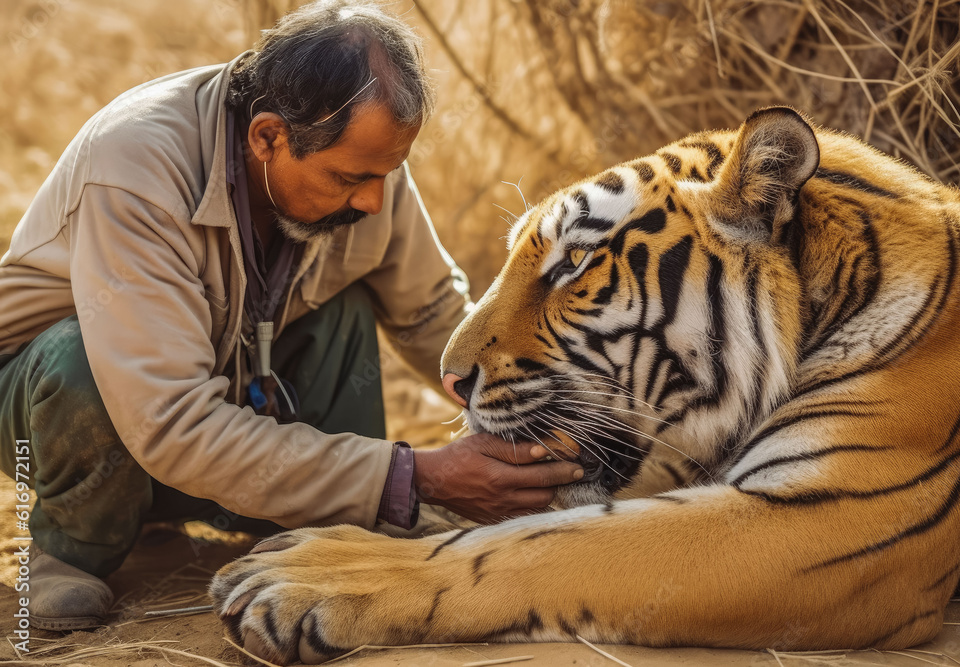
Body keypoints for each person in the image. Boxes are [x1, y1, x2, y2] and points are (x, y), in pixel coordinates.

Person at [0, 0, 583, 631]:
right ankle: (71, 546)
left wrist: (540, 405)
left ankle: (329, 529)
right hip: (57, 406)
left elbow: (433, 314)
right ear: (268, 137)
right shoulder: (135, 167)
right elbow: (167, 420)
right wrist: (417, 478)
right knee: (80, 356)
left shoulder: (363, 164)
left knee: (349, 306)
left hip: (215, 408)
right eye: (350, 178)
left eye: (387, 173)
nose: (373, 200)